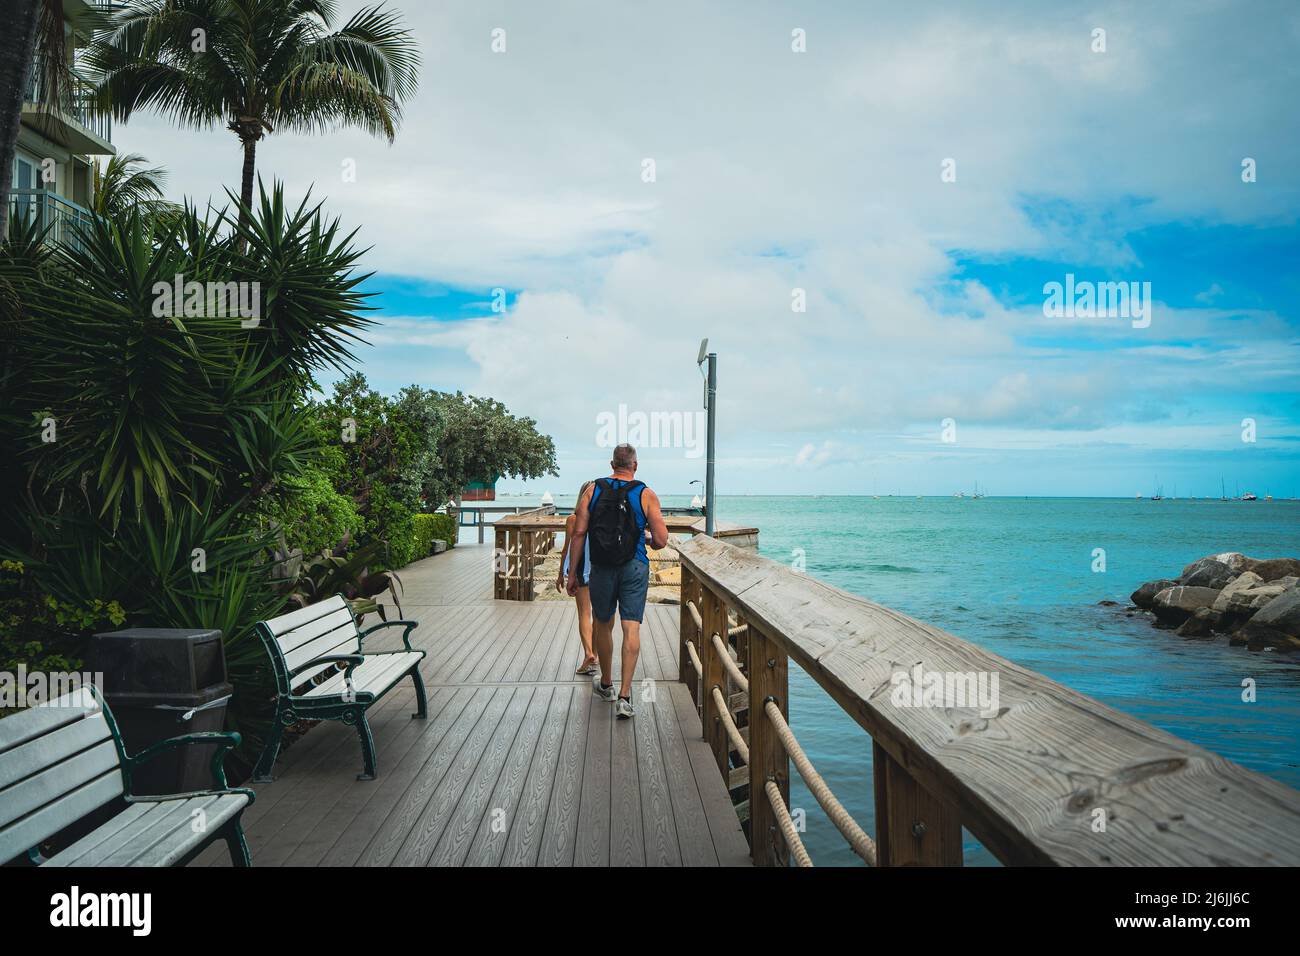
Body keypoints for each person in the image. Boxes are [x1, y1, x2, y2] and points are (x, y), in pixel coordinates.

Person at [566, 443, 669, 719]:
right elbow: (661, 540)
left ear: (612, 465)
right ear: (635, 465)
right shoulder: (645, 494)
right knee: (630, 627)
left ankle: (607, 684)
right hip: (634, 566)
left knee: (603, 623)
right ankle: (625, 697)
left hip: (601, 568)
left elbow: (578, 534)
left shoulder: (592, 490)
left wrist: (573, 573)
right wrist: (643, 537)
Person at [557, 480, 597, 675]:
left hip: (579, 568)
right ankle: (595, 655)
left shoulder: (573, 519)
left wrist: (561, 574)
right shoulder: (599, 518)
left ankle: (588, 653)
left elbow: (566, 549)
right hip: (599, 568)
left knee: (584, 613)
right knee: (599, 615)